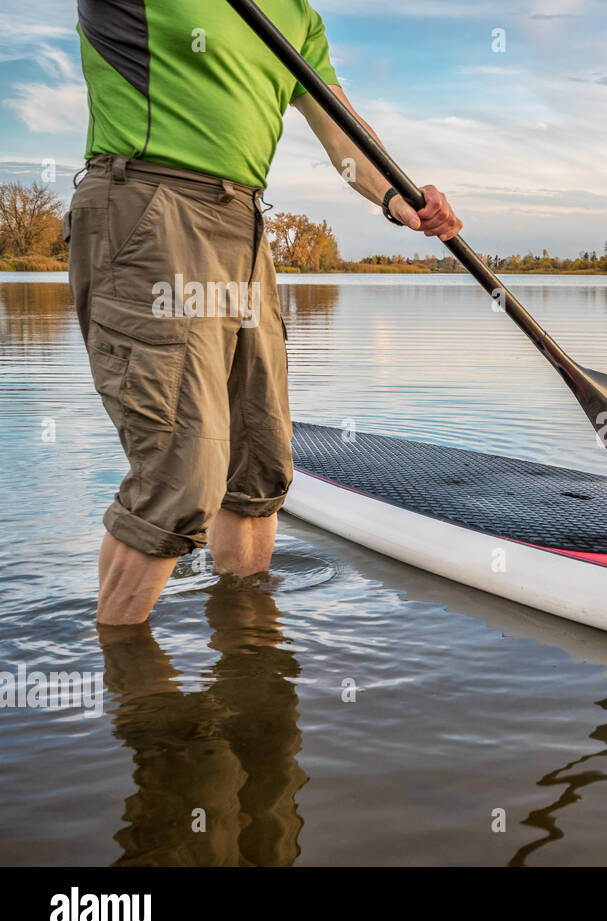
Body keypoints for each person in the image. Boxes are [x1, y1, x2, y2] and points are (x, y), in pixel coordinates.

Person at [67, 1, 461, 625]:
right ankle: (130, 684)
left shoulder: (297, 14)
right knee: (181, 469)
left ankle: (249, 650)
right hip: (149, 203)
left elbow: (340, 131)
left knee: (260, 460)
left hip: (244, 221)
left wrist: (397, 194)